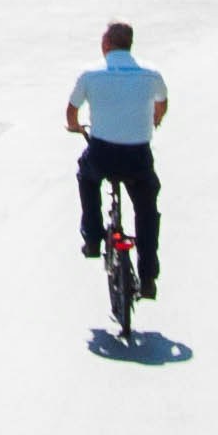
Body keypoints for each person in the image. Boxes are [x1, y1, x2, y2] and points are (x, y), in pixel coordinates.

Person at [65, 18, 167, 293]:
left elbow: (71, 112)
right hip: (138, 157)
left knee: (87, 177)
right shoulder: (151, 75)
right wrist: (153, 121)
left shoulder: (90, 76)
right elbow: (161, 104)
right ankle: (147, 277)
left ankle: (94, 237)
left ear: (106, 45)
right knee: (146, 210)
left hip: (103, 154)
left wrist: (75, 127)